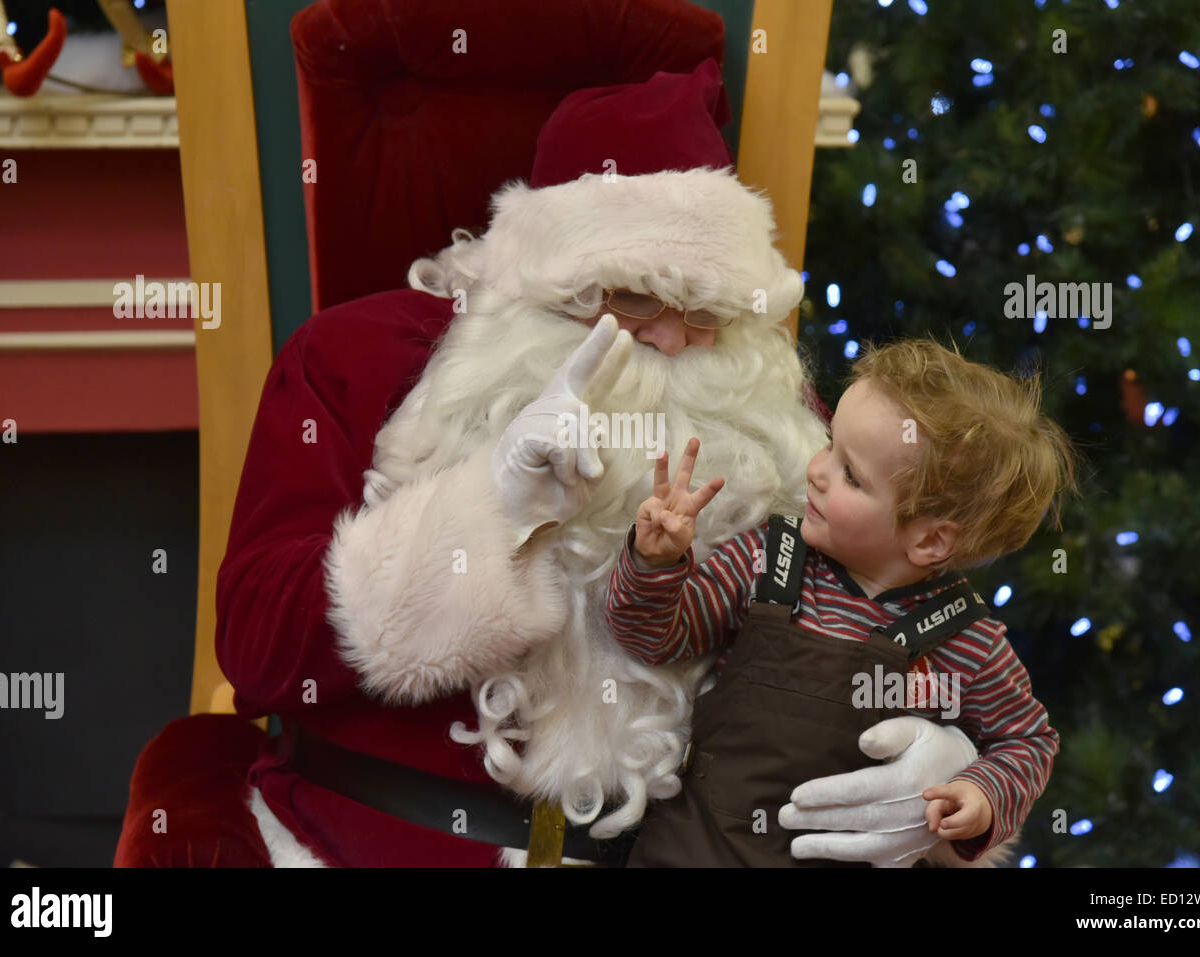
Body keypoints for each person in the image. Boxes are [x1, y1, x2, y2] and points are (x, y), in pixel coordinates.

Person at [218, 58, 991, 867]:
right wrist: (486, 505)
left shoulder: (778, 419)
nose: (668, 339)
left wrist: (948, 765)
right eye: (631, 297)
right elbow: (258, 652)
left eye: (705, 309)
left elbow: (903, 616)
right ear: (538, 282)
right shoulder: (357, 357)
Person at [607, 338, 1077, 866]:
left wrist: (984, 796)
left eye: (850, 474)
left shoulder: (966, 641)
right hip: (692, 851)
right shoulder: (770, 558)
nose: (815, 469)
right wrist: (656, 563)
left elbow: (1028, 741)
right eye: (829, 442)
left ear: (929, 541)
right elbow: (653, 638)